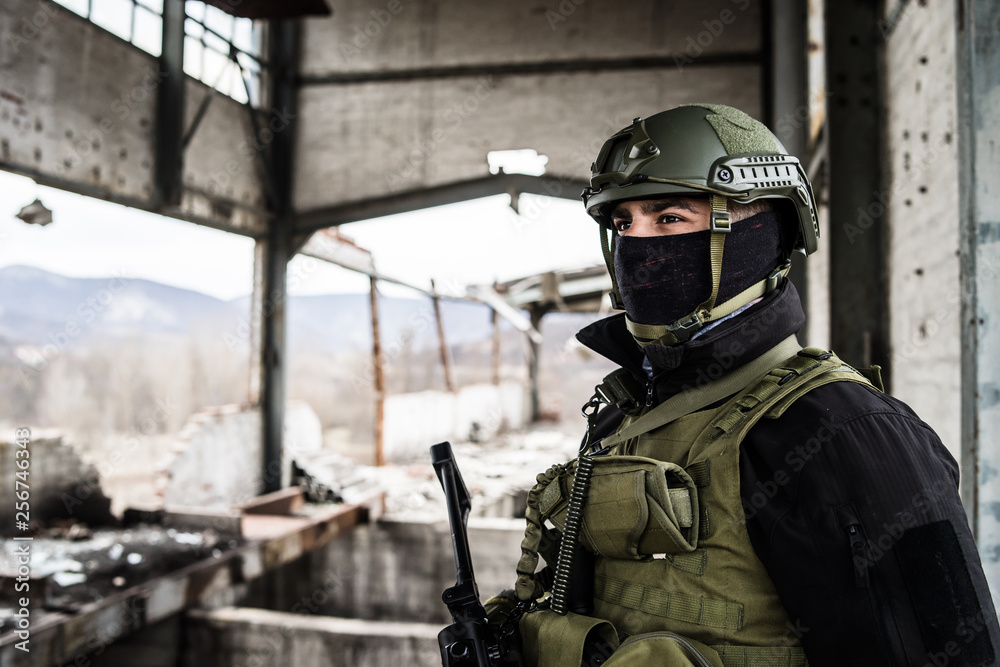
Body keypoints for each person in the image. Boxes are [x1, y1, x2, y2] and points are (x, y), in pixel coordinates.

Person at [486, 104, 1000, 666]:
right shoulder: (625, 414)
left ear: (758, 235)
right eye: (622, 223)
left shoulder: (843, 429)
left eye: (669, 218)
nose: (637, 245)